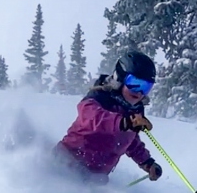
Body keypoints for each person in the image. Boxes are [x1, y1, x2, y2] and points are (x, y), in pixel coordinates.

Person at [57, 50, 163, 182]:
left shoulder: (135, 110)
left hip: (95, 177)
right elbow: (92, 118)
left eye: (146, 87)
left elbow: (129, 140)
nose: (140, 92)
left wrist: (147, 162)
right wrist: (123, 123)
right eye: (134, 83)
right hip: (65, 165)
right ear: (120, 78)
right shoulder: (100, 97)